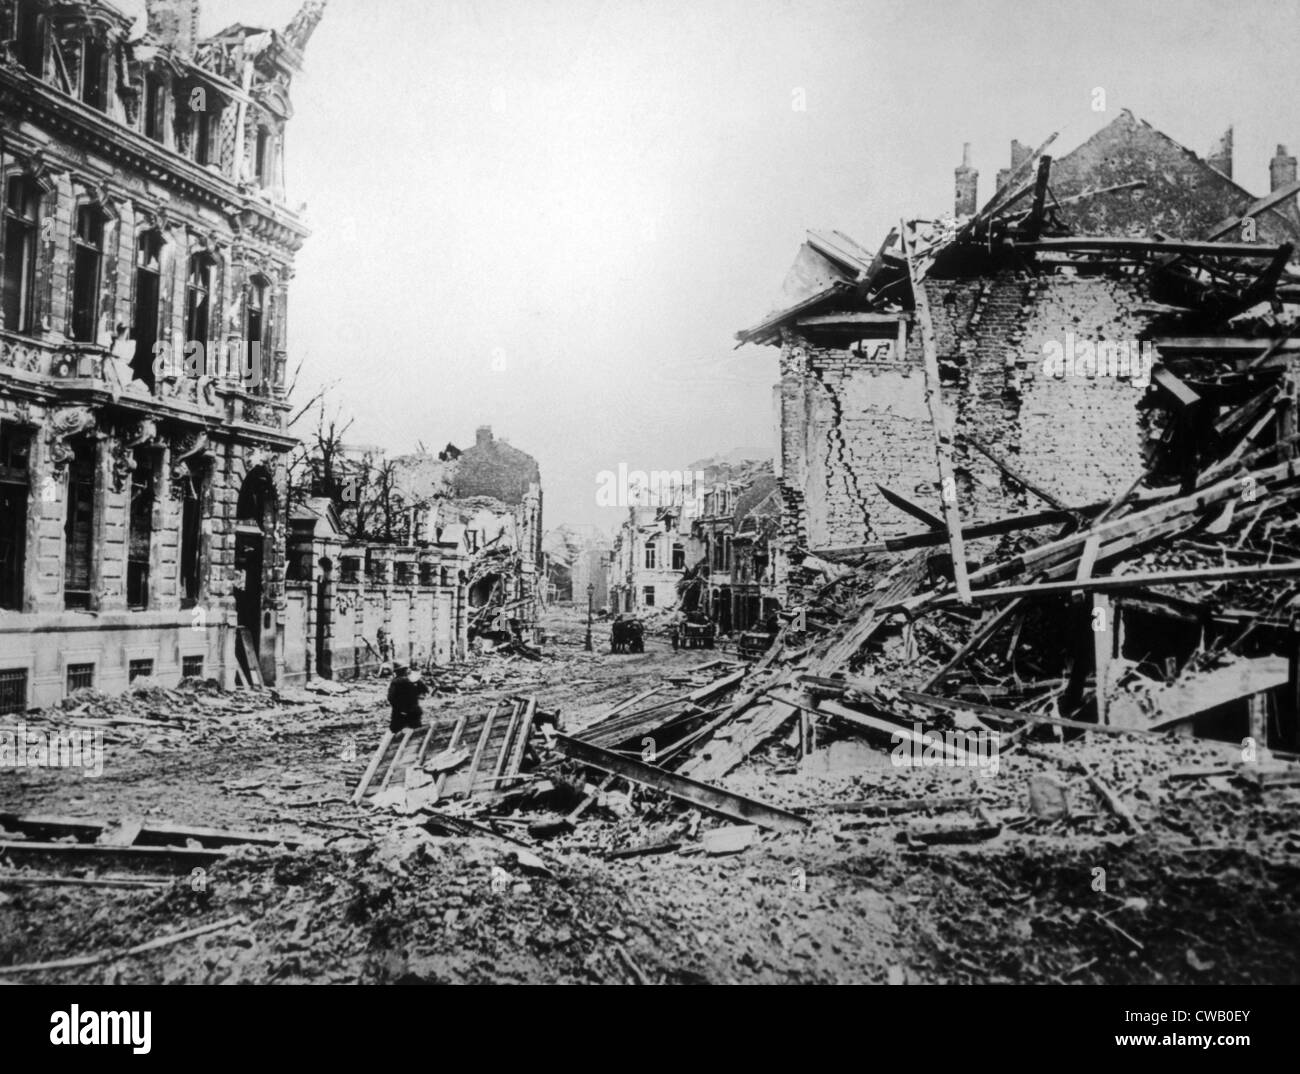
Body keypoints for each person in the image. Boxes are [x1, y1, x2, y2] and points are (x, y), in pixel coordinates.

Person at [387, 663, 429, 733]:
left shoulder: (395, 682)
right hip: (414, 710)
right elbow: (425, 690)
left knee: (395, 731)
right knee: (416, 731)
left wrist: (399, 708)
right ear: (406, 670)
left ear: (396, 672)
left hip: (400, 712)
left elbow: (390, 698)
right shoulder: (414, 679)